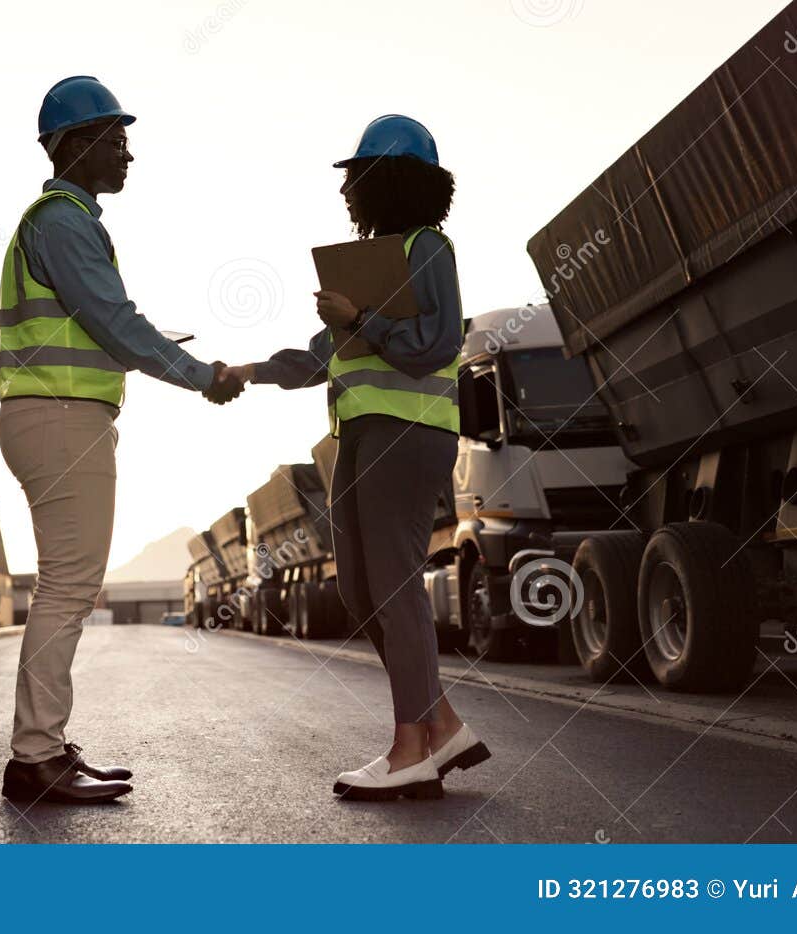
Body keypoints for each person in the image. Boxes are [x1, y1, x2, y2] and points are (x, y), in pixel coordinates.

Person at [0, 76, 246, 805]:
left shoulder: (64, 220)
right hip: (60, 417)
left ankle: (42, 749)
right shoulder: (64, 218)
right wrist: (203, 376)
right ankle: (34, 757)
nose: (129, 155)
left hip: (56, 415)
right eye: (117, 140)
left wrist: (145, 345)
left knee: (65, 586)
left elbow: (100, 325)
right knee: (68, 588)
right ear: (76, 146)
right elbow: (117, 322)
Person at [226, 115, 489, 802]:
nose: (347, 193)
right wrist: (242, 370)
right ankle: (442, 726)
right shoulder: (369, 271)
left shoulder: (428, 249)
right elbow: (320, 357)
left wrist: (359, 320)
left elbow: (434, 344)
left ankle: (410, 750)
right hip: (364, 436)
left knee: (395, 586)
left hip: (407, 432)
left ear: (390, 181)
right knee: (360, 592)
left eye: (357, 178)